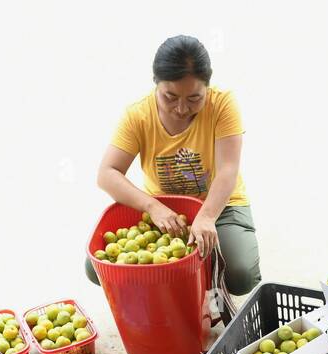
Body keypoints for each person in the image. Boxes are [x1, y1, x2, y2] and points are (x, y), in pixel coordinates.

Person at [89, 35, 261, 296]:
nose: (181, 108)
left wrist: (206, 216)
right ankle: (180, 280)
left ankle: (194, 280)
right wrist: (152, 206)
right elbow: (107, 174)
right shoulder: (138, 115)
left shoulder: (222, 104)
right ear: (156, 84)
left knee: (241, 275)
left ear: (207, 87)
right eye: (170, 97)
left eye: (194, 98)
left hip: (220, 207)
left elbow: (228, 169)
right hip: (165, 213)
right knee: (97, 268)